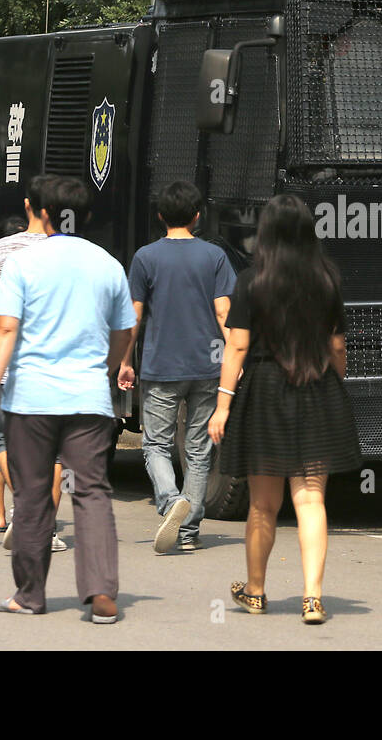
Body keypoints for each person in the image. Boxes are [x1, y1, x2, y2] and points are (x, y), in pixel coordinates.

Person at [0, 176, 136, 622]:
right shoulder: (108, 264)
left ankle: (30, 594)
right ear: (83, 216)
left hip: (32, 399)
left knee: (32, 495)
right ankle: (102, 593)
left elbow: (5, 328)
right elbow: (125, 331)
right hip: (88, 399)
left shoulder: (23, 264)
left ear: (43, 214)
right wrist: (103, 370)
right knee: (92, 491)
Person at [208, 194, 359, 624]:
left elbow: (236, 345)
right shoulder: (327, 278)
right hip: (315, 385)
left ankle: (255, 591)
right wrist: (335, 382)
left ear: (267, 232)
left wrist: (222, 406)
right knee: (311, 498)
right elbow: (336, 346)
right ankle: (313, 598)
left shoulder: (252, 281)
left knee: (262, 505)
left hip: (265, 390)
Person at [119, 180, 235, 554]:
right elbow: (223, 311)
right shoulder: (214, 257)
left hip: (161, 365)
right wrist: (234, 354)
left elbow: (134, 316)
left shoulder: (145, 257)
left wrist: (124, 360)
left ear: (159, 216)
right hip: (208, 365)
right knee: (199, 449)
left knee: (155, 443)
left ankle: (171, 503)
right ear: (198, 215)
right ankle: (188, 532)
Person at [0, 182, 67, 553]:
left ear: (28, 205)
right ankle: (47, 528)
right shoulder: (72, 251)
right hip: (53, 365)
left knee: (2, 438)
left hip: (6, 365)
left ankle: (28, 513)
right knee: (52, 450)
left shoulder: (3, 249)